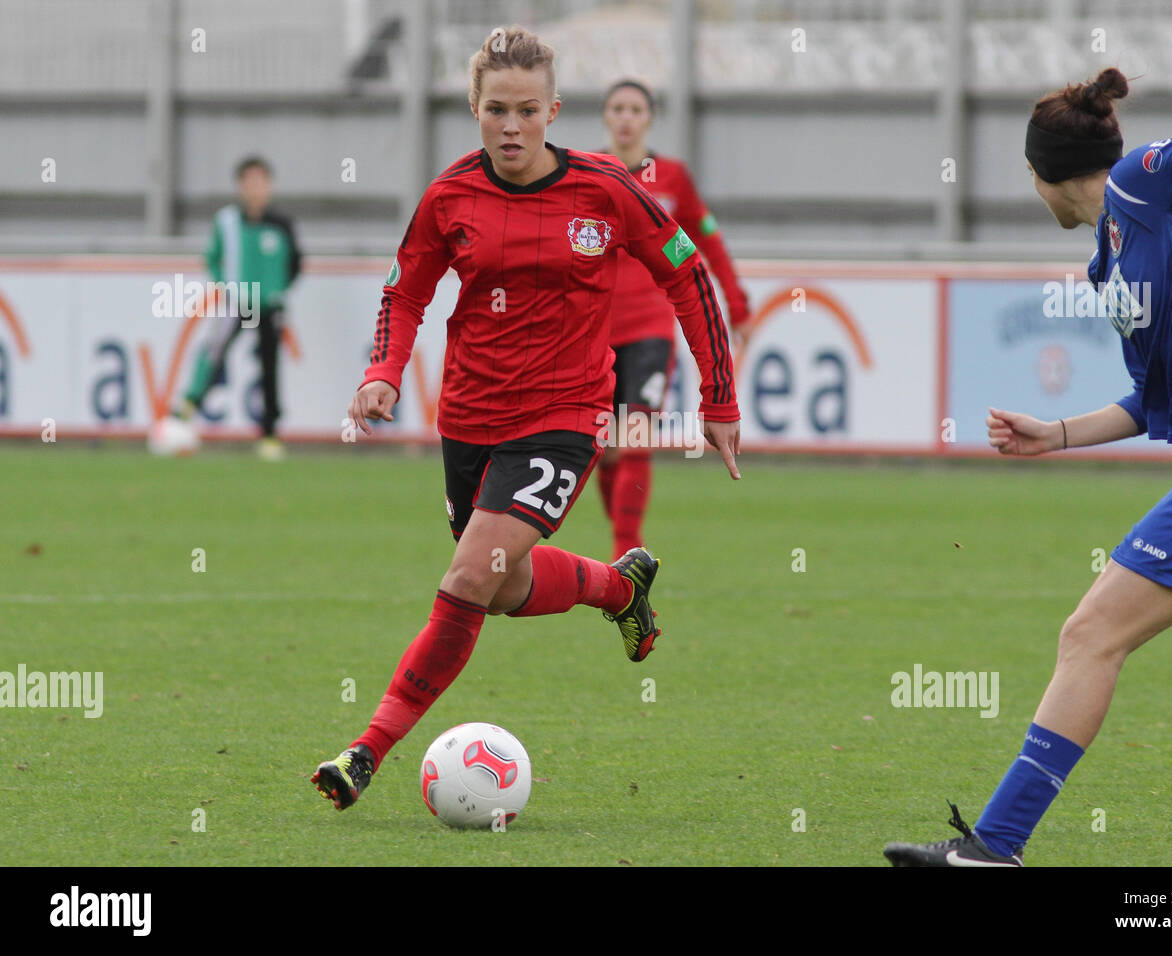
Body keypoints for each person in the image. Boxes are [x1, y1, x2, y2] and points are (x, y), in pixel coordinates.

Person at [884, 0, 1172, 866]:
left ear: (1045, 174)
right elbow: (1154, 398)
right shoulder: (1109, 259)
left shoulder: (1144, 180)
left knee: (1089, 633)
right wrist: (1055, 435)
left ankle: (993, 849)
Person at [312, 26, 742, 810]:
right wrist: (381, 373)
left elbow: (689, 275)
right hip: (469, 418)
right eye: (496, 110)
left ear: (554, 111)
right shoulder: (450, 197)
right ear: (475, 108)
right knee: (498, 591)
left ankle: (366, 750)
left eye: (528, 110)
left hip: (566, 415)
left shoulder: (606, 189)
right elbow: (403, 292)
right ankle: (618, 589)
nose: (511, 126)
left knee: (471, 575)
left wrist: (718, 398)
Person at [595, 79, 750, 560]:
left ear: (649, 118)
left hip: (649, 329)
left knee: (635, 433)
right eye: (617, 108)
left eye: (635, 109)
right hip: (594, 331)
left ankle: (626, 549)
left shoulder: (673, 178)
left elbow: (709, 241)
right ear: (606, 116)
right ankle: (623, 542)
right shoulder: (590, 174)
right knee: (604, 446)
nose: (625, 117)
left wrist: (737, 302)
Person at [173, 156, 301, 461]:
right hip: (239, 301)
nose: (256, 188)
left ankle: (269, 434)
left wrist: (277, 290)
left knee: (269, 367)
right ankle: (187, 408)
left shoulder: (281, 224)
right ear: (241, 186)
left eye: (261, 181)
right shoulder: (228, 222)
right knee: (215, 351)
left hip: (268, 305)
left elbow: (295, 263)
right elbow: (212, 258)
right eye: (250, 182)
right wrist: (226, 287)